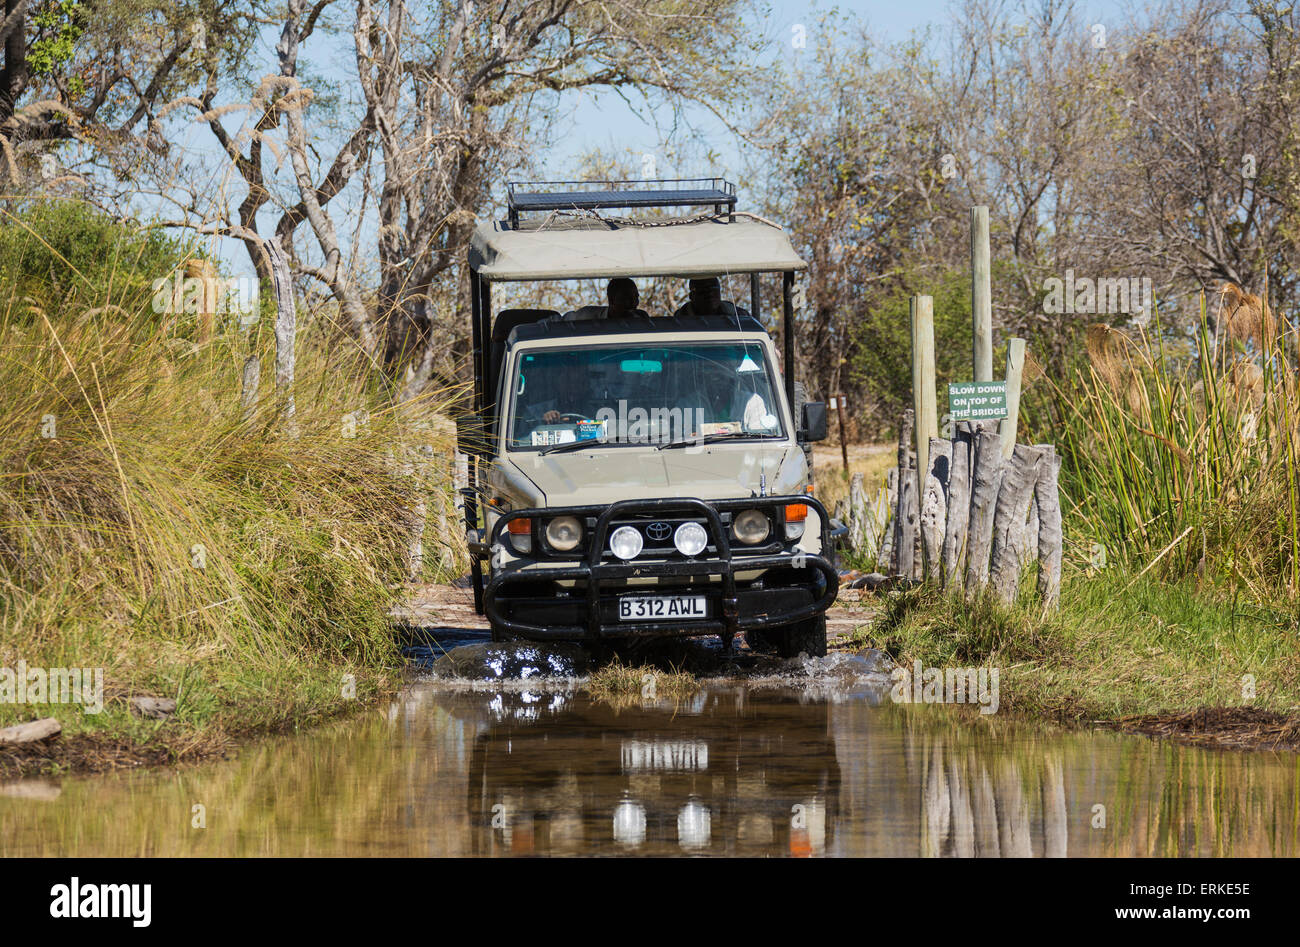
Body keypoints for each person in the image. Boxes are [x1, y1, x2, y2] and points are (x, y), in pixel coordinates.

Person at [562, 277, 642, 321]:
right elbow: (561, 324)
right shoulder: (587, 316)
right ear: (611, 300)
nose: (634, 303)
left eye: (636, 297)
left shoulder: (642, 319)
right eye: (626, 298)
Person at [672, 277, 747, 318]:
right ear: (691, 296)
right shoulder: (679, 321)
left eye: (714, 289)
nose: (710, 294)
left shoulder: (739, 316)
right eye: (703, 290)